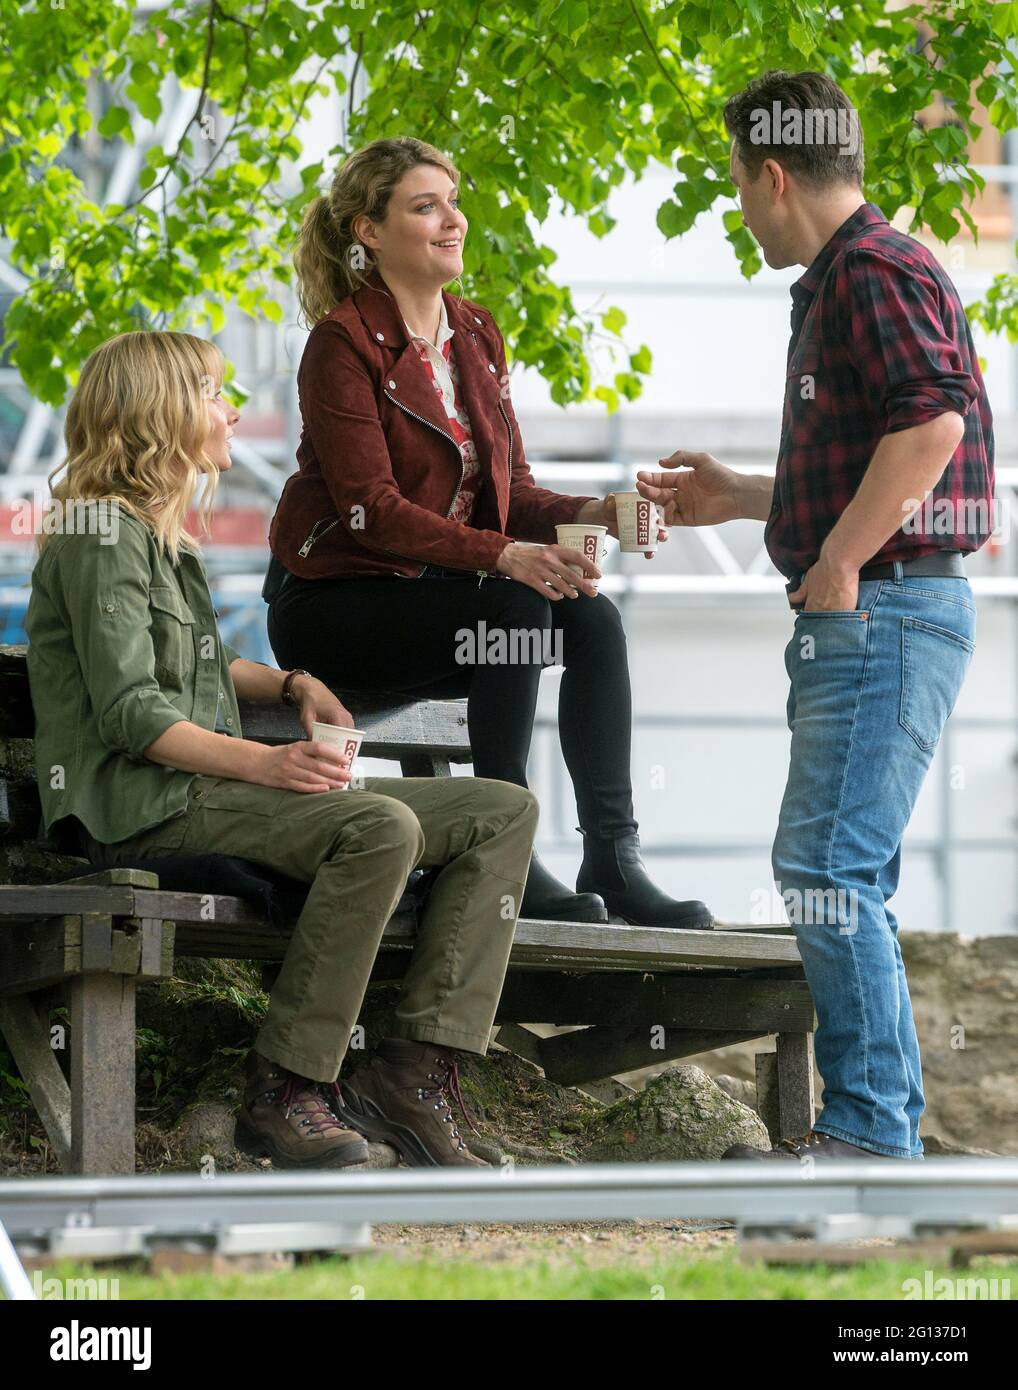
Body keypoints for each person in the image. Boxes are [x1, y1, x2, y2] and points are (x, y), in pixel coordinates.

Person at [25, 329, 543, 1170]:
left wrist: (291, 682)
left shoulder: (166, 543)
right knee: (377, 827)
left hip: (206, 800)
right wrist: (269, 764)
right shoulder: (100, 536)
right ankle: (288, 1087)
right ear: (159, 414)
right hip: (146, 810)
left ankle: (412, 1074)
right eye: (211, 395)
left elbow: (200, 663)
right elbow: (131, 715)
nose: (231, 411)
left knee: (501, 811)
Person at [639, 71, 994, 1161]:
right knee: (841, 871)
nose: (739, 209)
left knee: (827, 869)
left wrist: (838, 558)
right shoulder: (856, 276)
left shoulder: (870, 271)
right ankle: (878, 1131)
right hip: (883, 603)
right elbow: (890, 445)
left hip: (884, 607)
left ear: (774, 174)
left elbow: (929, 425)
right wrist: (746, 496)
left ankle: (870, 1136)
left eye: (738, 186)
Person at [262, 135, 713, 930]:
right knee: (517, 607)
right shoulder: (341, 343)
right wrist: (506, 556)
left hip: (441, 598)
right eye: (425, 206)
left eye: (453, 202)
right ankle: (496, 851)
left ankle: (613, 853)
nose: (453, 220)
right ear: (369, 230)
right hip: (337, 605)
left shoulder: (476, 333)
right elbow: (371, 505)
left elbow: (510, 494)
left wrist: (602, 515)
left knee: (594, 620)